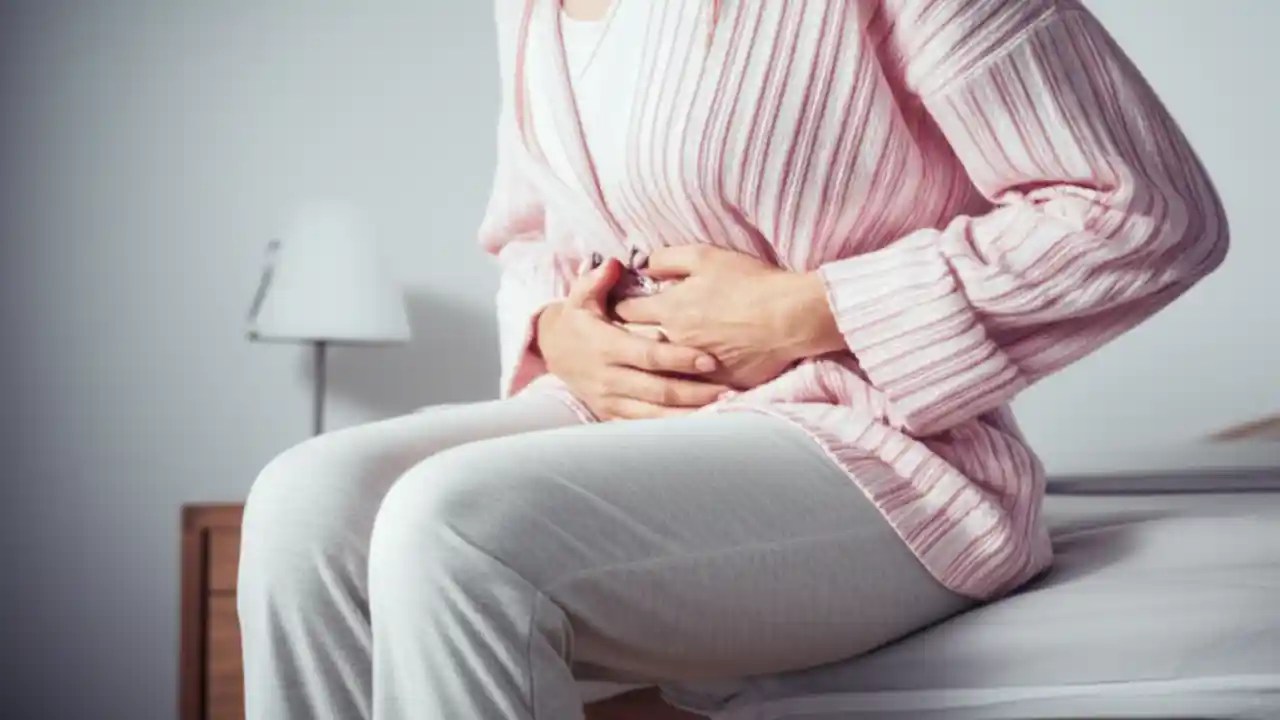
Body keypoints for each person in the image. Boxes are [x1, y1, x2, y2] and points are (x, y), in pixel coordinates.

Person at [237, 0, 1229, 717]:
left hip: (877, 451)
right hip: (637, 424)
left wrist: (814, 309)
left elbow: (1142, 211)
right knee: (305, 504)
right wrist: (556, 331)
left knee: (451, 528)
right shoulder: (529, 10)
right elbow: (533, 232)